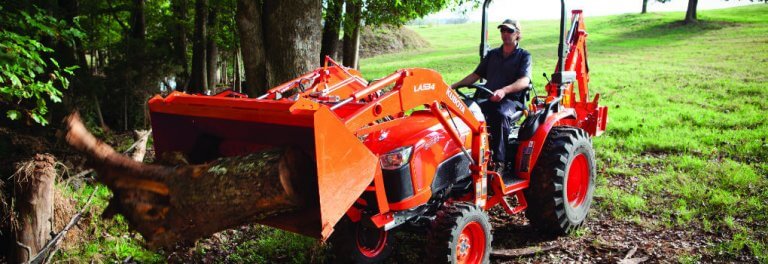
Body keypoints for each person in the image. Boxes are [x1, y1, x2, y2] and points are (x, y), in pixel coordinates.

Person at [450, 19, 532, 174]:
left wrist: (504, 90)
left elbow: (524, 80)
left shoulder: (524, 56)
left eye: (509, 31)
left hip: (511, 100)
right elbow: (475, 75)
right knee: (466, 112)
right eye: (503, 30)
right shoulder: (493, 54)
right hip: (488, 97)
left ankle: (499, 162)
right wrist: (452, 86)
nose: (505, 34)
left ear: (517, 34)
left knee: (499, 115)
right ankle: (465, 157)